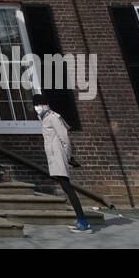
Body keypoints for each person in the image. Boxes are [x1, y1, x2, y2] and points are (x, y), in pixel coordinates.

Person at [35, 95, 91, 232]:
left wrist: (68, 156)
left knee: (68, 189)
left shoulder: (53, 117)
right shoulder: (45, 118)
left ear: (42, 104)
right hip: (55, 158)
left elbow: (64, 137)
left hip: (59, 157)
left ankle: (83, 222)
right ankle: (81, 220)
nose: (35, 108)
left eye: (36, 105)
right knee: (67, 188)